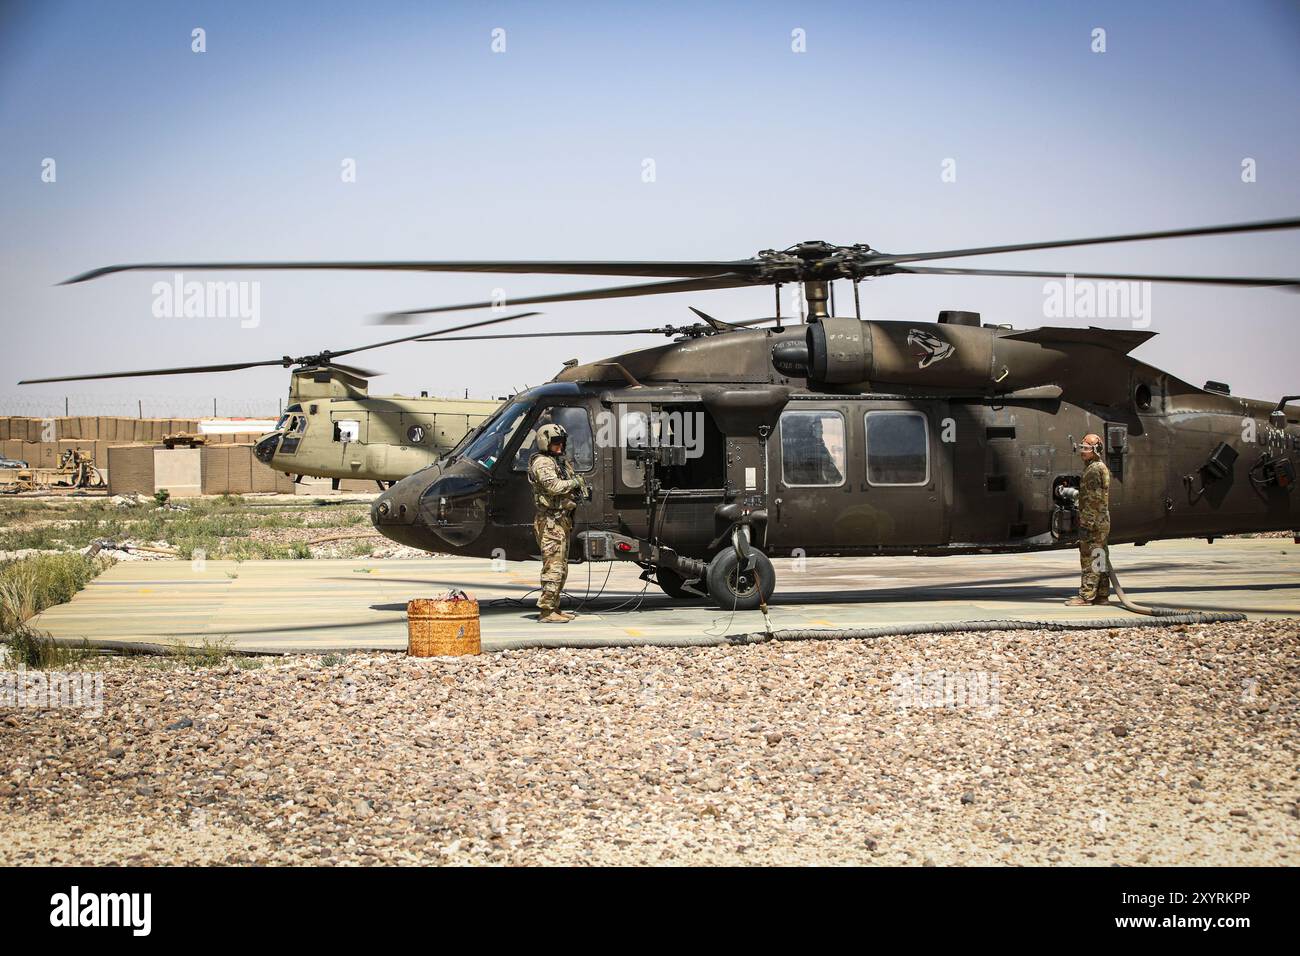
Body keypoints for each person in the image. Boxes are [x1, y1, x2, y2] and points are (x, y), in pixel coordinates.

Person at [527, 422, 587, 623]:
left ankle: (554, 606)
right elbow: (552, 486)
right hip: (551, 521)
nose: (560, 446)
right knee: (553, 567)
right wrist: (575, 483)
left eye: (562, 442)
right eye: (555, 443)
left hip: (561, 520)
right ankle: (546, 611)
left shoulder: (557, 461)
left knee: (561, 567)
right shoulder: (542, 463)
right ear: (545, 443)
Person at [1066, 433, 1111, 606]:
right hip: (1101, 521)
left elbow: (1095, 498)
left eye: (1086, 449)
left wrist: (1087, 521)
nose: (1082, 452)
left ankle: (1086, 596)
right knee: (1100, 557)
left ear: (1096, 451)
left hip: (1093, 522)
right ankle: (1102, 594)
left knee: (1089, 558)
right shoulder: (1099, 467)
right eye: (1082, 448)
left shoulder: (1093, 470)